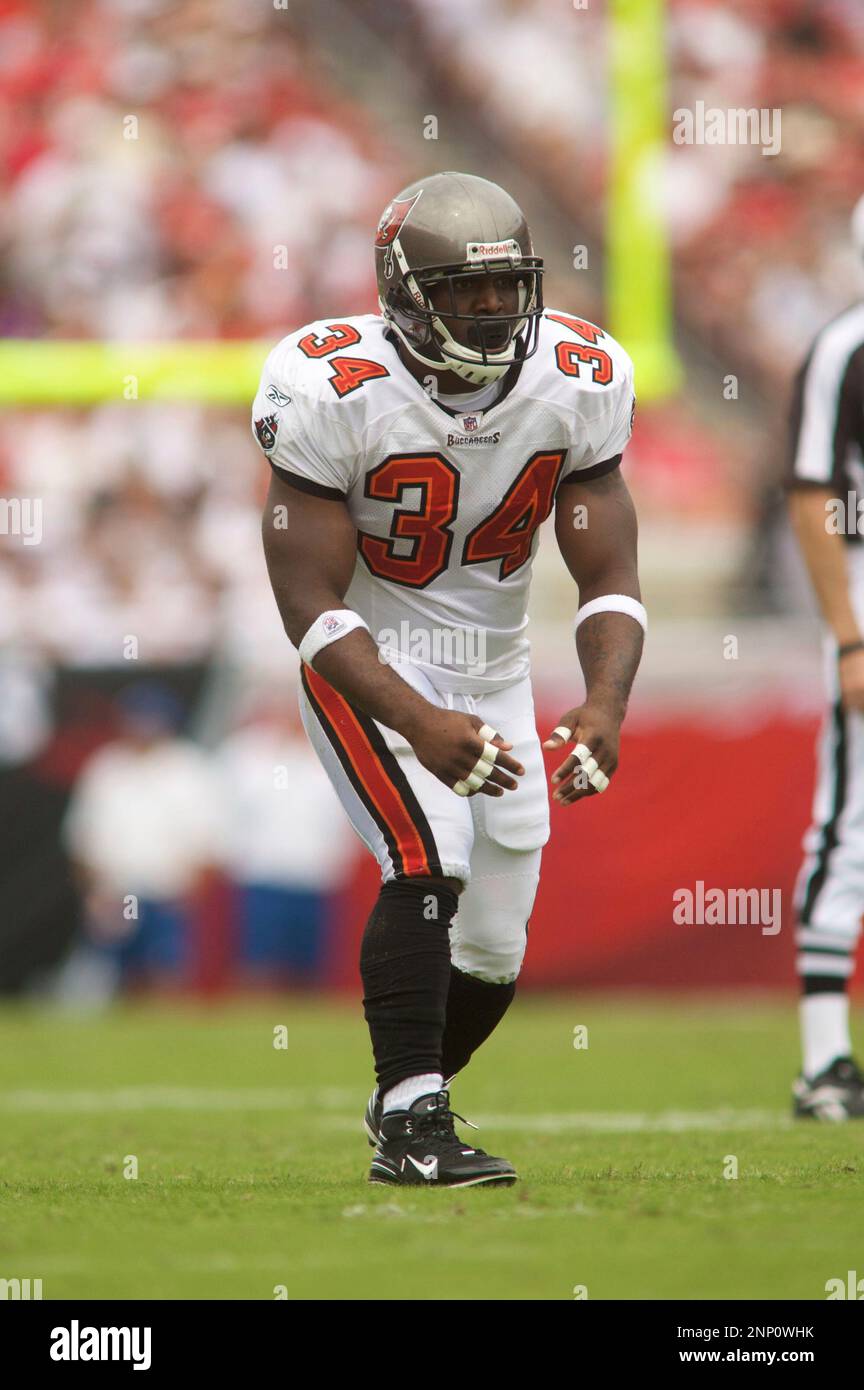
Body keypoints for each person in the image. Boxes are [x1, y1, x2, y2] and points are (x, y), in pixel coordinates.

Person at [254, 171, 644, 1185]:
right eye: (465, 291)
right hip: (364, 660)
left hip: (497, 666)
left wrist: (605, 700)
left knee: (496, 944)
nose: (493, 308)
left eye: (508, 286)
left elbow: (609, 571)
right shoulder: (327, 383)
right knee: (430, 846)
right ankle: (415, 1122)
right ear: (401, 292)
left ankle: (408, 1094)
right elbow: (306, 598)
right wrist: (416, 716)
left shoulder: (580, 373)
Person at [786, 195, 864, 1121]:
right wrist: (849, 632)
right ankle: (824, 1059)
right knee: (850, 821)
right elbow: (812, 497)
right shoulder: (845, 349)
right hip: (863, 587)